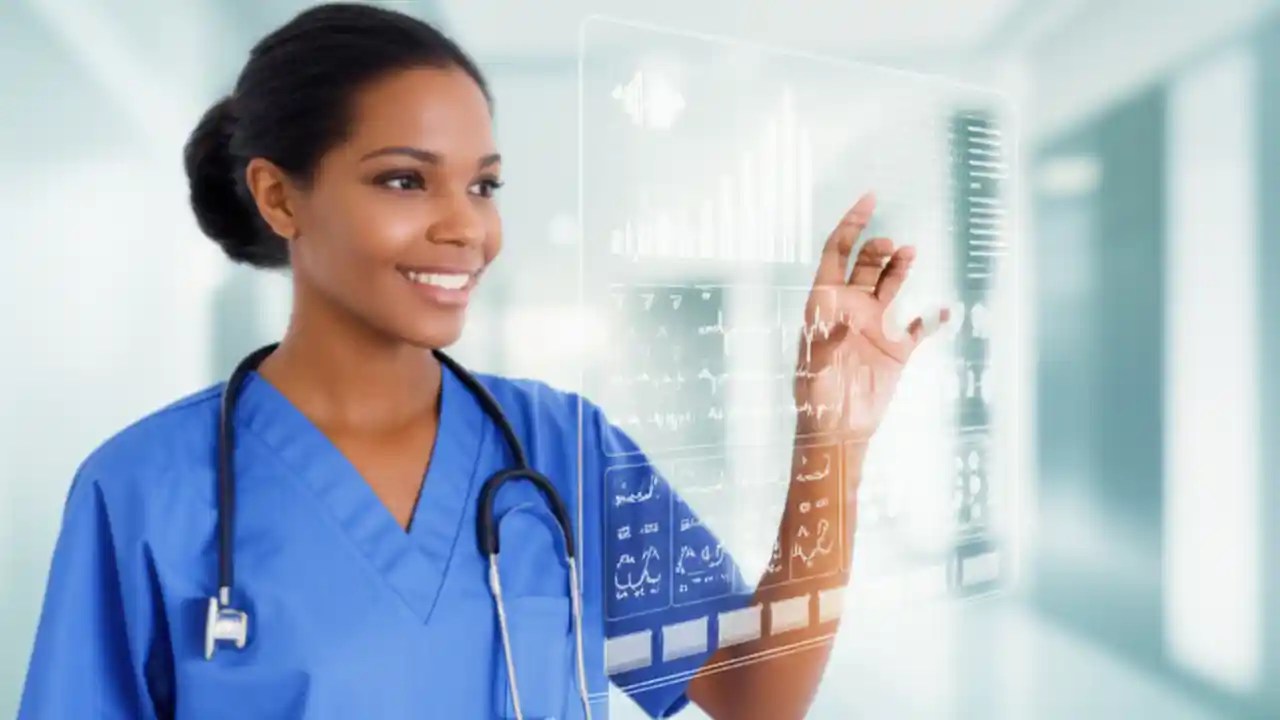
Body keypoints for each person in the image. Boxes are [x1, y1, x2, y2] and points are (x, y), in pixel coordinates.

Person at [16, 3, 947, 718]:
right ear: (279, 196)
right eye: (402, 179)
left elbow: (756, 695)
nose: (466, 226)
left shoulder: (563, 449)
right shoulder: (144, 489)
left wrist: (832, 440)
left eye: (483, 184)